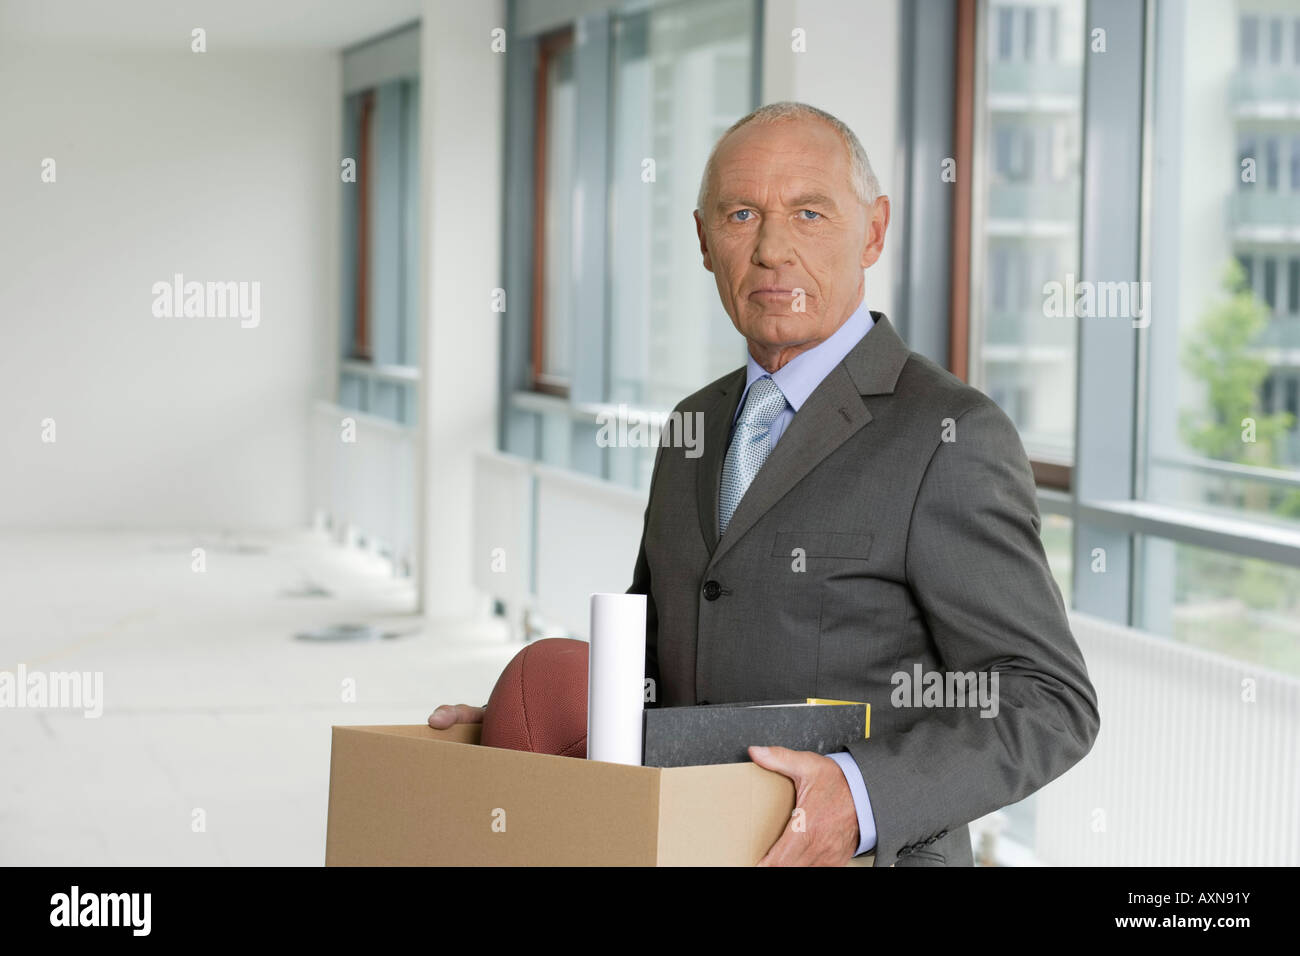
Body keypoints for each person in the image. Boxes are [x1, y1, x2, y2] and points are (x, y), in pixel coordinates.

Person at [432, 101, 1099, 867]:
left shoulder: (949, 436)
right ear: (704, 241)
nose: (773, 248)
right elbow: (666, 665)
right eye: (741, 213)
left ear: (874, 230)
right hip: (686, 846)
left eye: (810, 212)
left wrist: (861, 795)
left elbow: (1048, 701)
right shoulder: (693, 426)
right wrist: (541, 729)